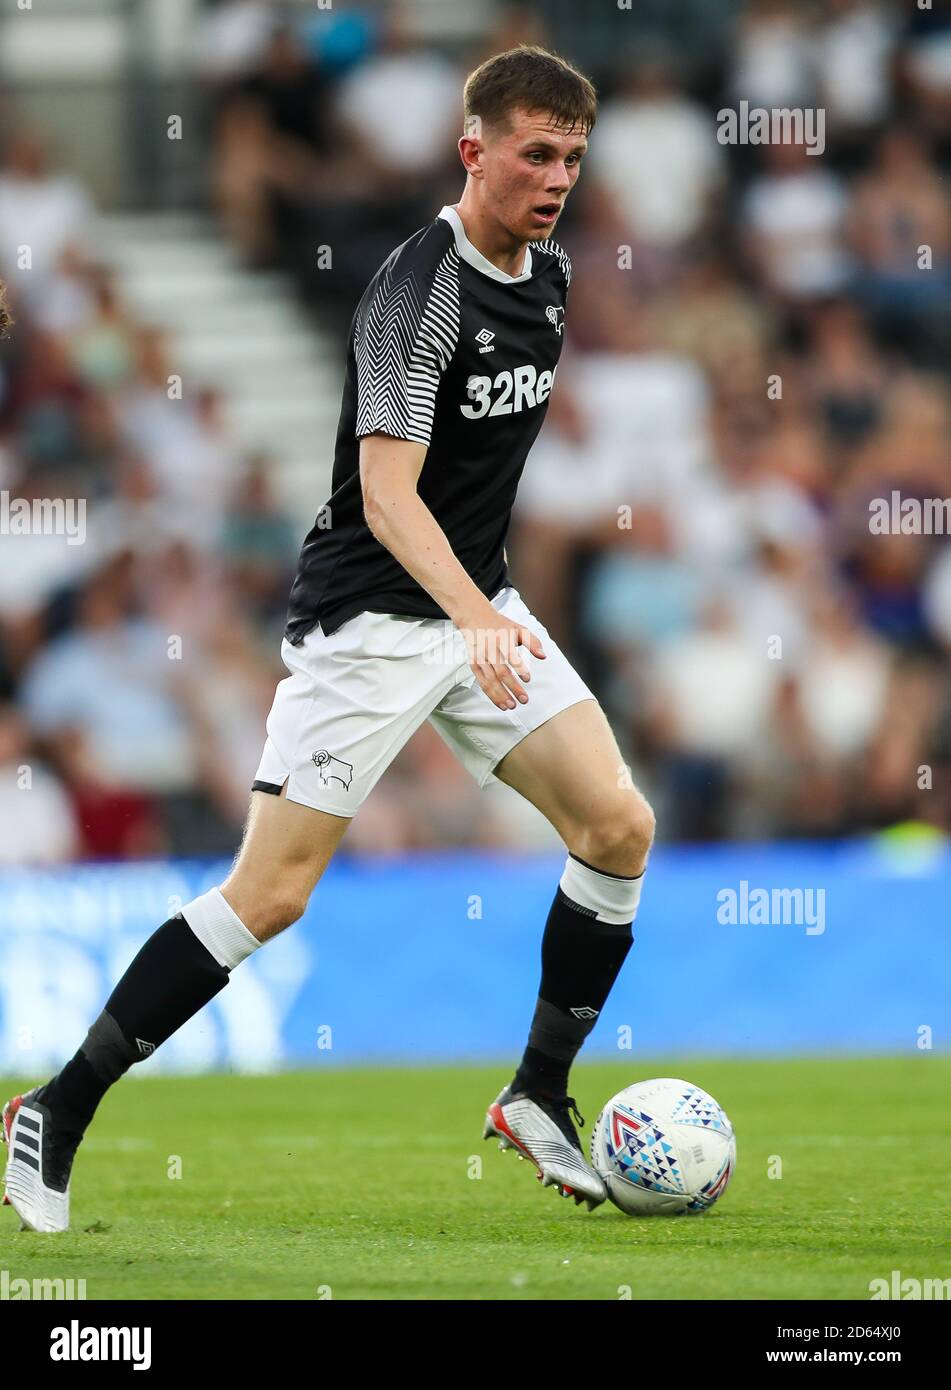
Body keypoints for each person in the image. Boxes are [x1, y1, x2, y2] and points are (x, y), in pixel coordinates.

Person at [2, 45, 655, 1232]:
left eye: (572, 156)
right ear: (474, 152)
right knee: (272, 893)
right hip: (371, 619)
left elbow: (476, 483)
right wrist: (473, 618)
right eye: (534, 153)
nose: (557, 176)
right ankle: (59, 1105)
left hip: (477, 608)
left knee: (618, 827)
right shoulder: (418, 291)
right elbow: (393, 494)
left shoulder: (551, 277)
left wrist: (486, 612)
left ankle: (537, 1091)